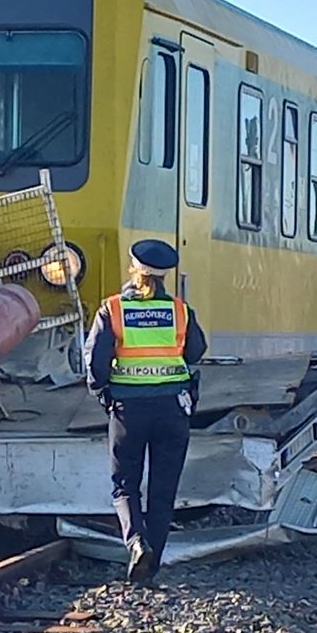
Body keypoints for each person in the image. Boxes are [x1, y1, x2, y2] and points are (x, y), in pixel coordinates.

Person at [85, 239, 206, 583]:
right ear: (166, 275)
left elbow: (95, 362)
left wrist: (102, 393)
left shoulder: (113, 309)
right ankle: (151, 566)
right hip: (173, 410)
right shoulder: (180, 310)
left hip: (128, 411)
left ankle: (136, 542)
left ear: (133, 269)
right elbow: (195, 351)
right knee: (163, 489)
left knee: (124, 483)